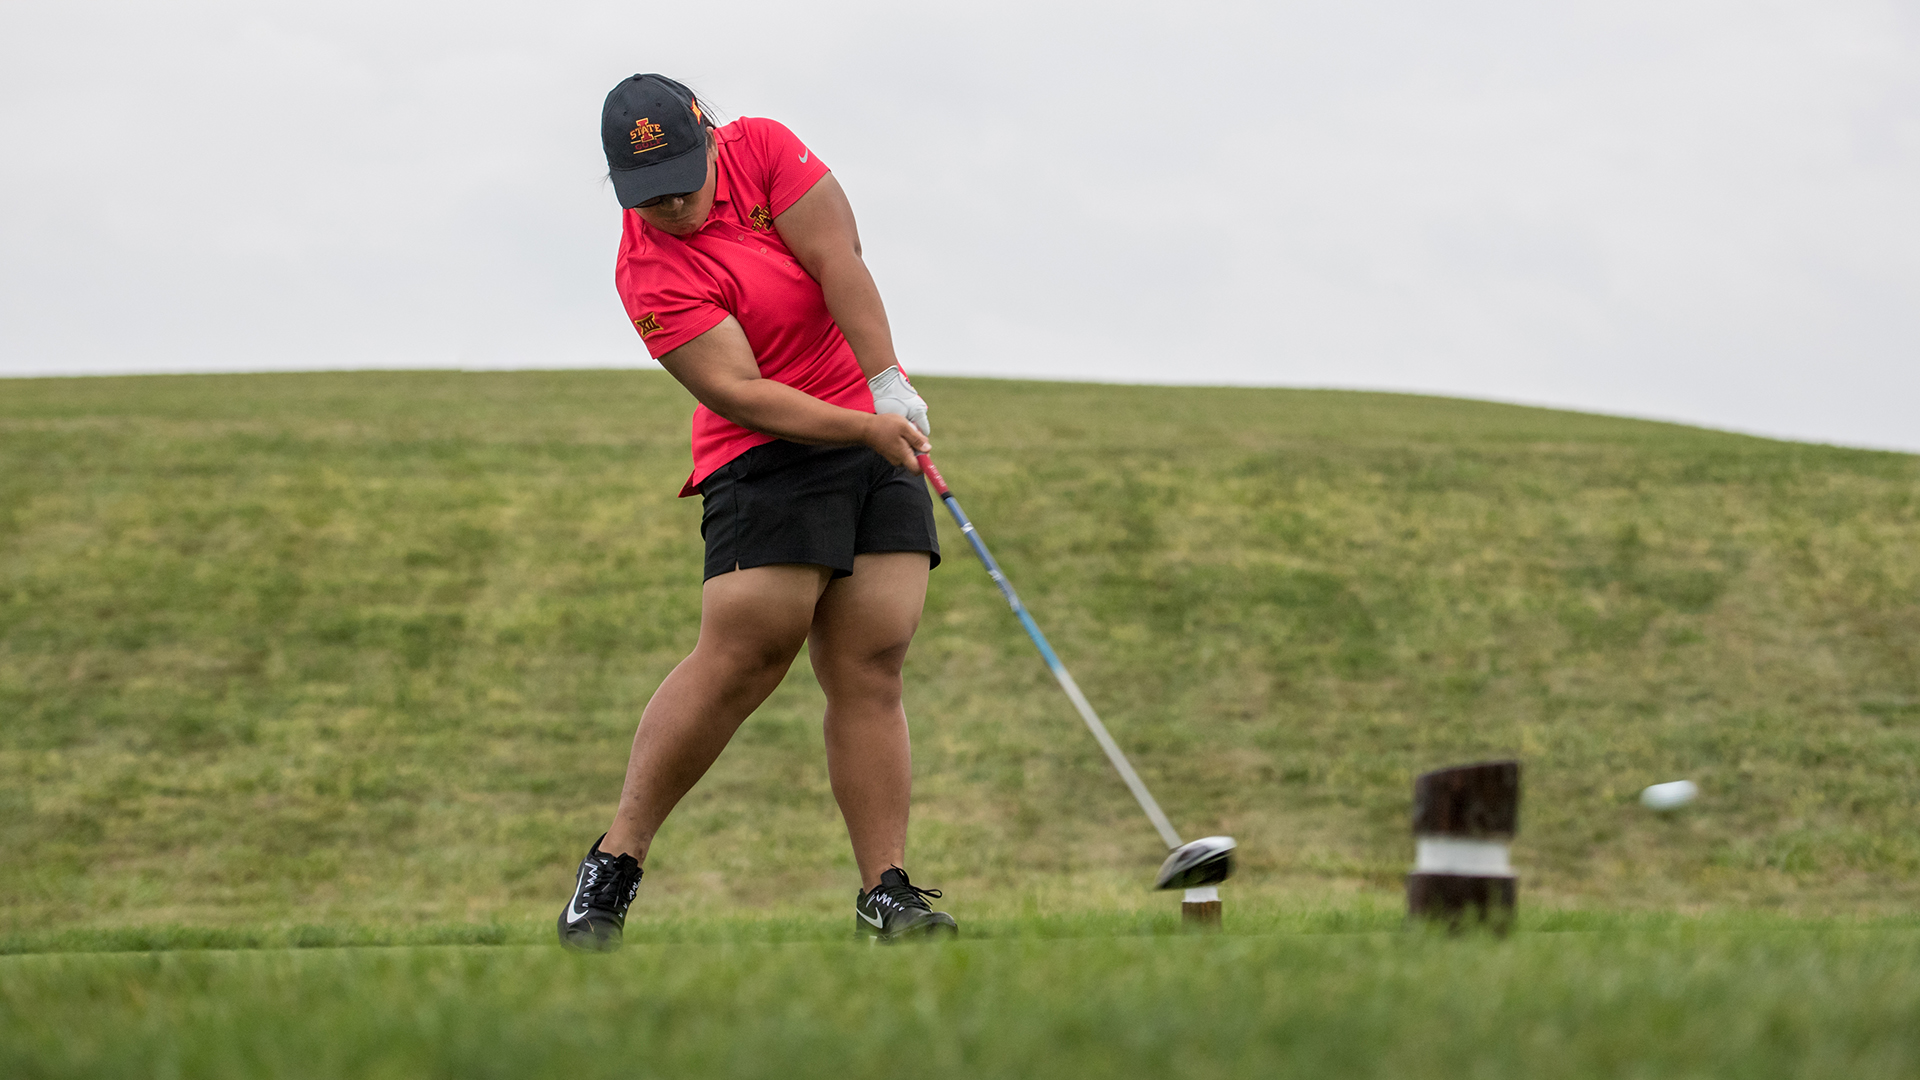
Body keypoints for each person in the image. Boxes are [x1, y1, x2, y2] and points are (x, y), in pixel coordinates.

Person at [558, 74, 956, 951]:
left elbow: (837, 260)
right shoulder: (647, 268)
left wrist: (887, 381)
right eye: (646, 195)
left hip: (869, 421)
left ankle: (886, 891)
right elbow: (743, 393)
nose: (670, 206)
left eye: (683, 183)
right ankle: (613, 865)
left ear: (708, 136)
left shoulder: (766, 149)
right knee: (749, 648)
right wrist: (865, 423)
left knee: (875, 652)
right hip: (766, 449)